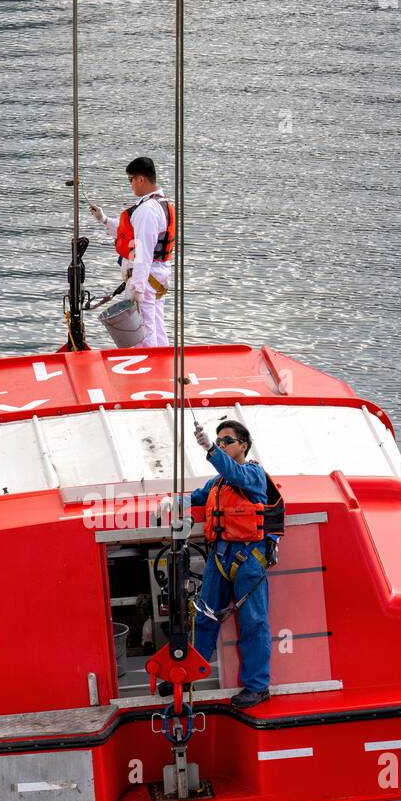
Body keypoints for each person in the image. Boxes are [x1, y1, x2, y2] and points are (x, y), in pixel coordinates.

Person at [187, 420, 276, 710]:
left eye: (228, 441)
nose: (223, 445)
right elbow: (196, 498)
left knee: (254, 623)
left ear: (243, 445)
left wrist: (210, 449)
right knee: (204, 617)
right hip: (219, 557)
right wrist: (169, 502)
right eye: (219, 441)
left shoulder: (252, 474)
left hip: (248, 559)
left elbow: (233, 472)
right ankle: (187, 674)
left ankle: (257, 686)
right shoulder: (217, 484)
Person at [88, 157, 175, 348]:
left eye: (131, 180)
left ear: (141, 179)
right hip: (157, 277)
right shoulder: (162, 204)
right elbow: (133, 232)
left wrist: (137, 288)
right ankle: (163, 363)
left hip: (145, 279)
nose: (131, 185)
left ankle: (149, 370)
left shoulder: (147, 210)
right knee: (157, 326)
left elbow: (143, 252)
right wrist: (104, 219)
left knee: (143, 332)